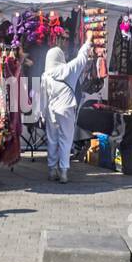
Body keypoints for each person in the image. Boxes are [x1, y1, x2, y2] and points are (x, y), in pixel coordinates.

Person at [41, 29, 94, 183]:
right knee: (66, 140)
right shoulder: (68, 69)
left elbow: (43, 97)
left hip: (51, 110)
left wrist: (42, 114)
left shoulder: (46, 75)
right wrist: (88, 40)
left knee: (52, 139)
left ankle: (51, 170)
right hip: (66, 109)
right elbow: (82, 58)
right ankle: (63, 172)